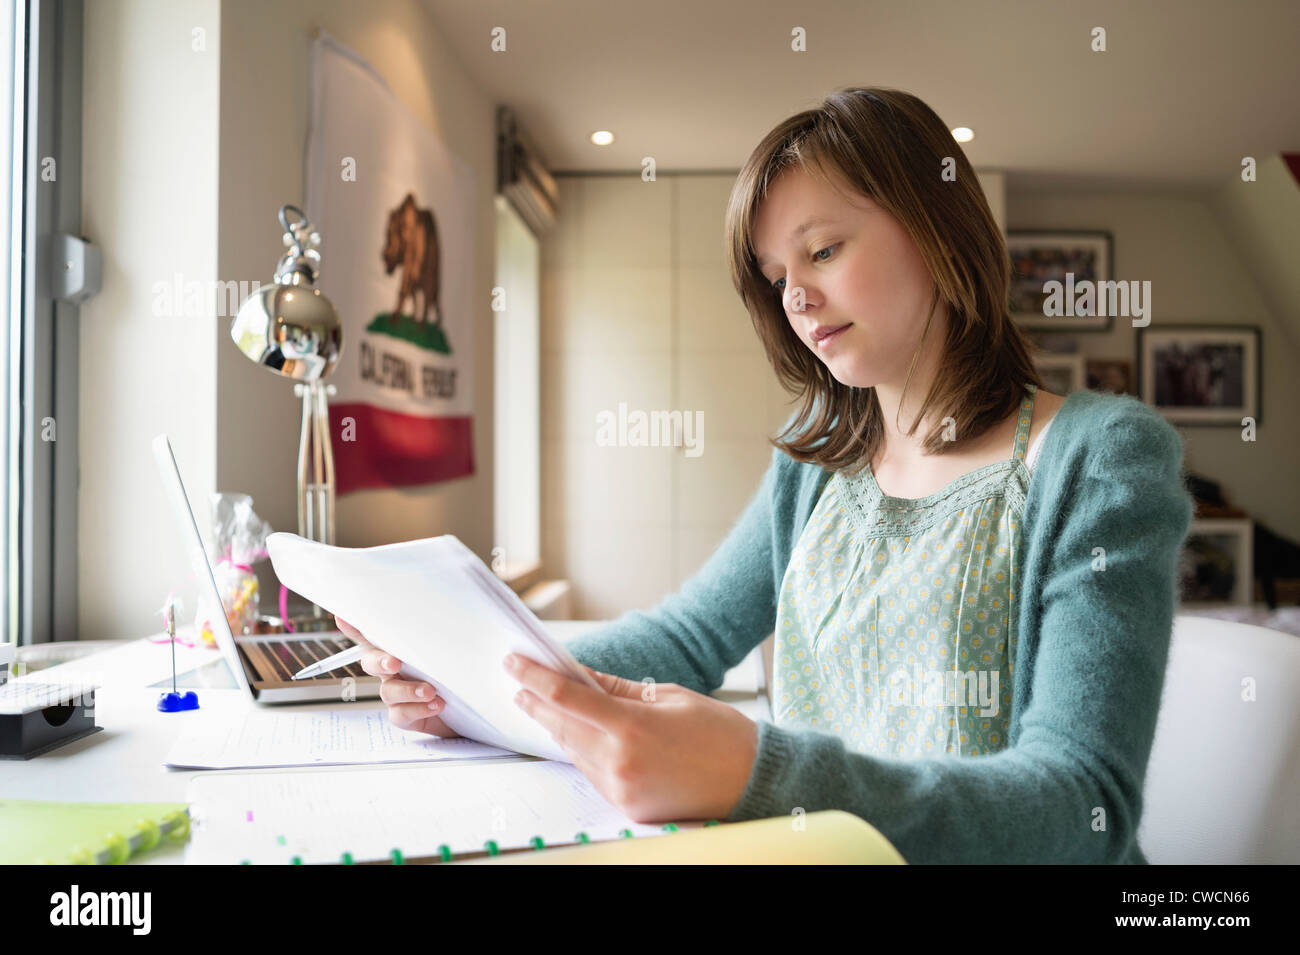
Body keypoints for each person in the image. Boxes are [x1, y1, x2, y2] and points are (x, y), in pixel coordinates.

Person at [344, 87, 1193, 864]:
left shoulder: (1100, 456)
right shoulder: (813, 461)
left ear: (940, 230)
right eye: (778, 278)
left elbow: (1082, 801)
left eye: (821, 249)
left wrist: (762, 770)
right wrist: (474, 665)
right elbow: (685, 641)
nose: (795, 299)